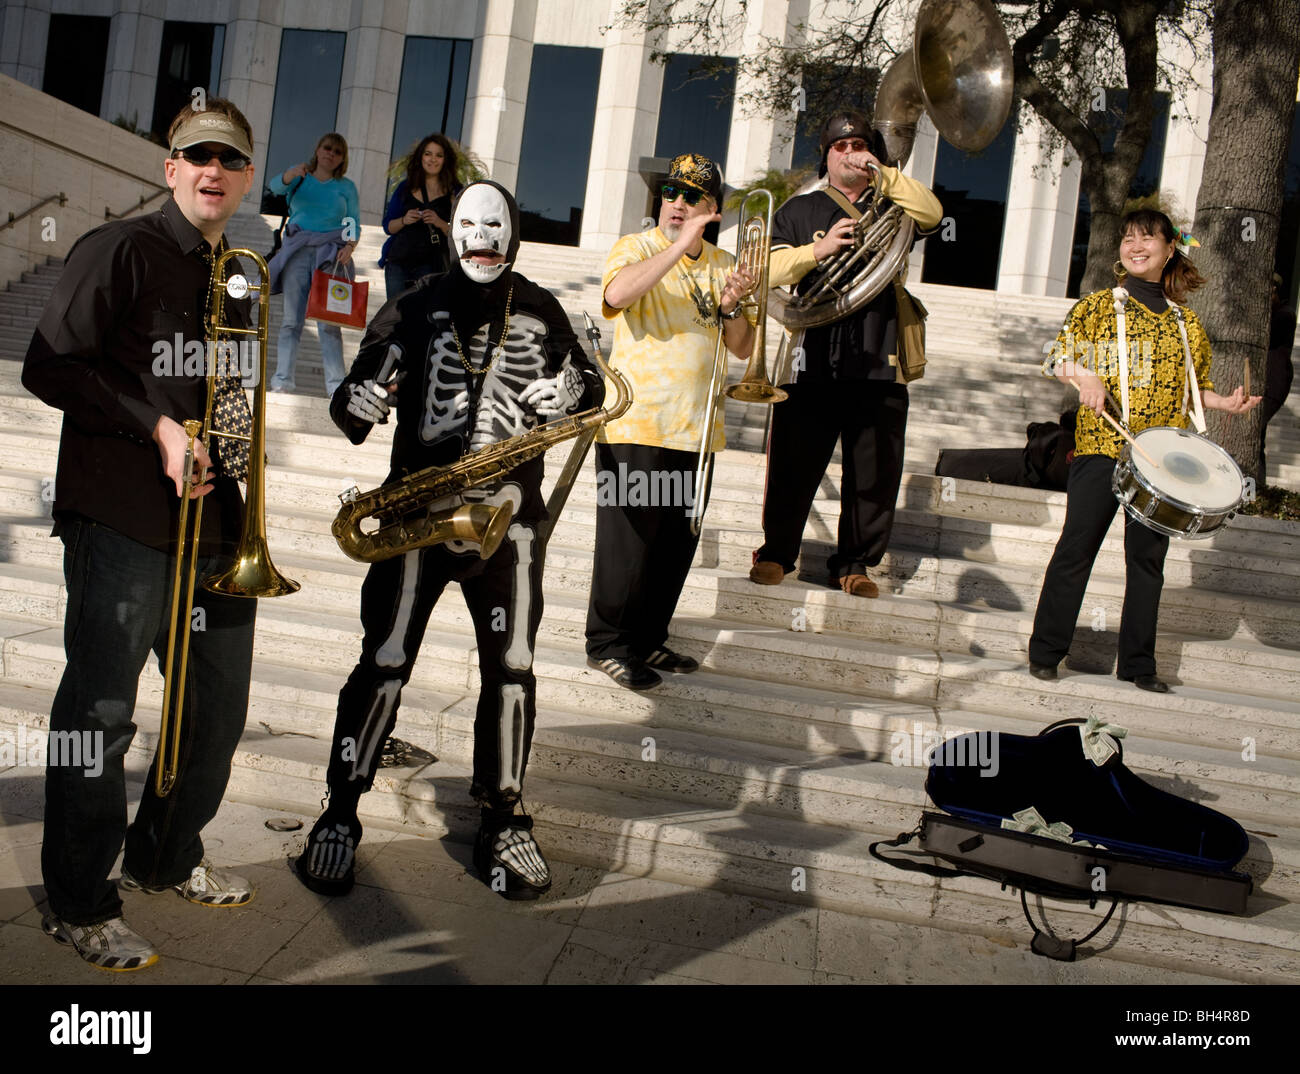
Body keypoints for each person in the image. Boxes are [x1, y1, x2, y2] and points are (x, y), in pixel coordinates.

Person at [294, 181, 604, 900]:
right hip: (417, 515)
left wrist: (573, 389)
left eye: (496, 227)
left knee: (514, 667)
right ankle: (340, 811)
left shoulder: (541, 306)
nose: (482, 239)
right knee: (385, 659)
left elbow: (587, 383)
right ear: (452, 231)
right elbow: (356, 400)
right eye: (469, 226)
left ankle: (505, 815)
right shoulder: (411, 305)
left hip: (510, 520)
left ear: (515, 233)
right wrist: (357, 399)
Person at [21, 98, 262, 971]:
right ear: (170, 168)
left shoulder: (237, 273)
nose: (212, 171)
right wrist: (153, 429)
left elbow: (231, 401)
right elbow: (48, 363)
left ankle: (166, 857)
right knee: (103, 713)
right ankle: (81, 900)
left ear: (243, 178)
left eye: (229, 161)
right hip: (122, 521)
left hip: (212, 530)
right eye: (197, 156)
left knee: (215, 711)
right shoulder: (117, 249)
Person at [1029, 209, 1260, 692]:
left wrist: (1226, 403)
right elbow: (1058, 356)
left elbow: (1194, 392)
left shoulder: (1186, 324)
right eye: (1128, 238)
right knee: (1077, 549)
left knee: (1147, 562)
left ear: (1169, 248)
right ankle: (1047, 652)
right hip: (1101, 446)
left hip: (1160, 464)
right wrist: (1084, 375)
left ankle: (1138, 666)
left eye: (1146, 239)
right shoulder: (1096, 306)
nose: (1135, 246)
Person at [748, 112, 942, 598]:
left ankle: (854, 562)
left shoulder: (894, 205)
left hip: (881, 358)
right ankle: (776, 553)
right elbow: (762, 270)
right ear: (827, 156)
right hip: (812, 356)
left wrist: (885, 173)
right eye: (842, 146)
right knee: (794, 462)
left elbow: (934, 215)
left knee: (875, 471)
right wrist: (818, 252)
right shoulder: (800, 210)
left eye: (860, 144)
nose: (851, 152)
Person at [583, 152, 755, 690]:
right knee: (628, 542)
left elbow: (744, 348)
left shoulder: (725, 264)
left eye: (692, 197)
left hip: (697, 427)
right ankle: (607, 643)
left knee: (674, 543)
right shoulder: (637, 247)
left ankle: (647, 637)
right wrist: (679, 246)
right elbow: (616, 294)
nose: (677, 204)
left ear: (713, 209)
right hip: (637, 422)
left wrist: (732, 306)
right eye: (671, 194)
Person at [266, 132, 361, 397]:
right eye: (327, 148)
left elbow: (353, 220)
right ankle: (282, 380)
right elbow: (275, 187)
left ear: (342, 158)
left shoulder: (347, 187)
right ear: (318, 150)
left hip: (330, 253)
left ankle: (335, 386)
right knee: (291, 320)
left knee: (329, 323)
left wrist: (351, 246)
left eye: (337, 152)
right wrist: (289, 175)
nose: (331, 154)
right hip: (297, 251)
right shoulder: (300, 176)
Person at [380, 133, 462, 297]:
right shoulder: (406, 187)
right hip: (398, 260)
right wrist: (405, 220)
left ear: (446, 160)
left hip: (431, 263)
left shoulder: (455, 191)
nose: (433, 159)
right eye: (428, 154)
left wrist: (440, 222)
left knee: (423, 316)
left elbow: (462, 232)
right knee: (396, 315)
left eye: (439, 155)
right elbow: (388, 227)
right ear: (420, 157)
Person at [1261, 273, 1296, 478]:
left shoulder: (1285, 314)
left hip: (1273, 385)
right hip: (1262, 383)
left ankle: (1255, 490)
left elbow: (1269, 336)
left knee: (1253, 436)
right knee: (1257, 440)